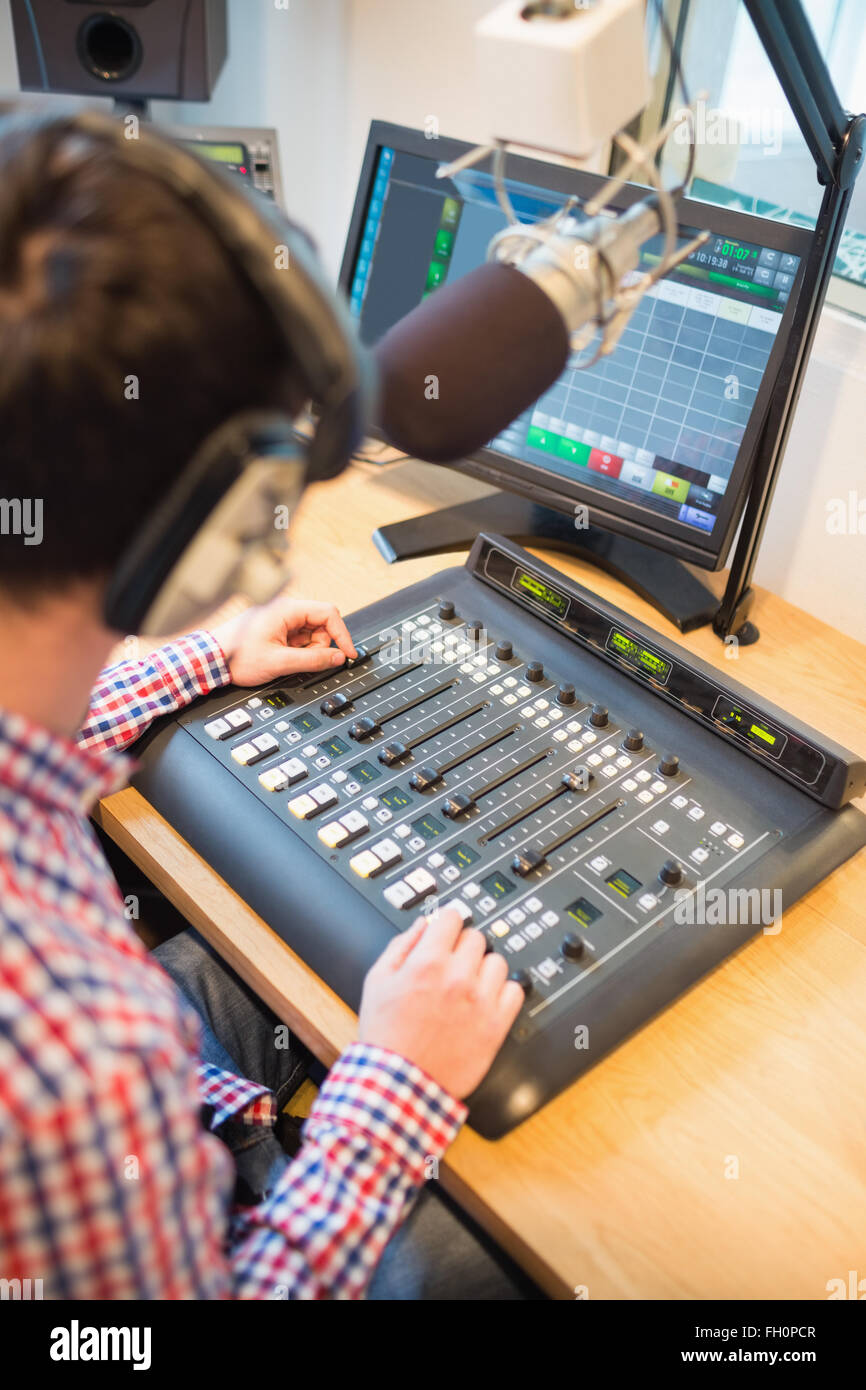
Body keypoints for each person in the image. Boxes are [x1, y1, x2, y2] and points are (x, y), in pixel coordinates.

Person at [0, 118, 535, 1299]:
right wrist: (394, 1080)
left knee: (248, 965)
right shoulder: (73, 1063)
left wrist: (200, 659)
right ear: (202, 536)